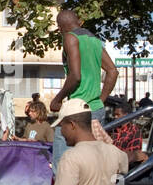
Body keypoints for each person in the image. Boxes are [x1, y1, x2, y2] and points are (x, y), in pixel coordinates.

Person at [49, 9, 118, 165]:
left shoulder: (69, 38)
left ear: (60, 27)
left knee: (62, 162)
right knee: (92, 161)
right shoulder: (94, 40)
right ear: (78, 22)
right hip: (95, 109)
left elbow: (75, 76)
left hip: (76, 111)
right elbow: (113, 71)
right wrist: (100, 100)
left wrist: (57, 100)